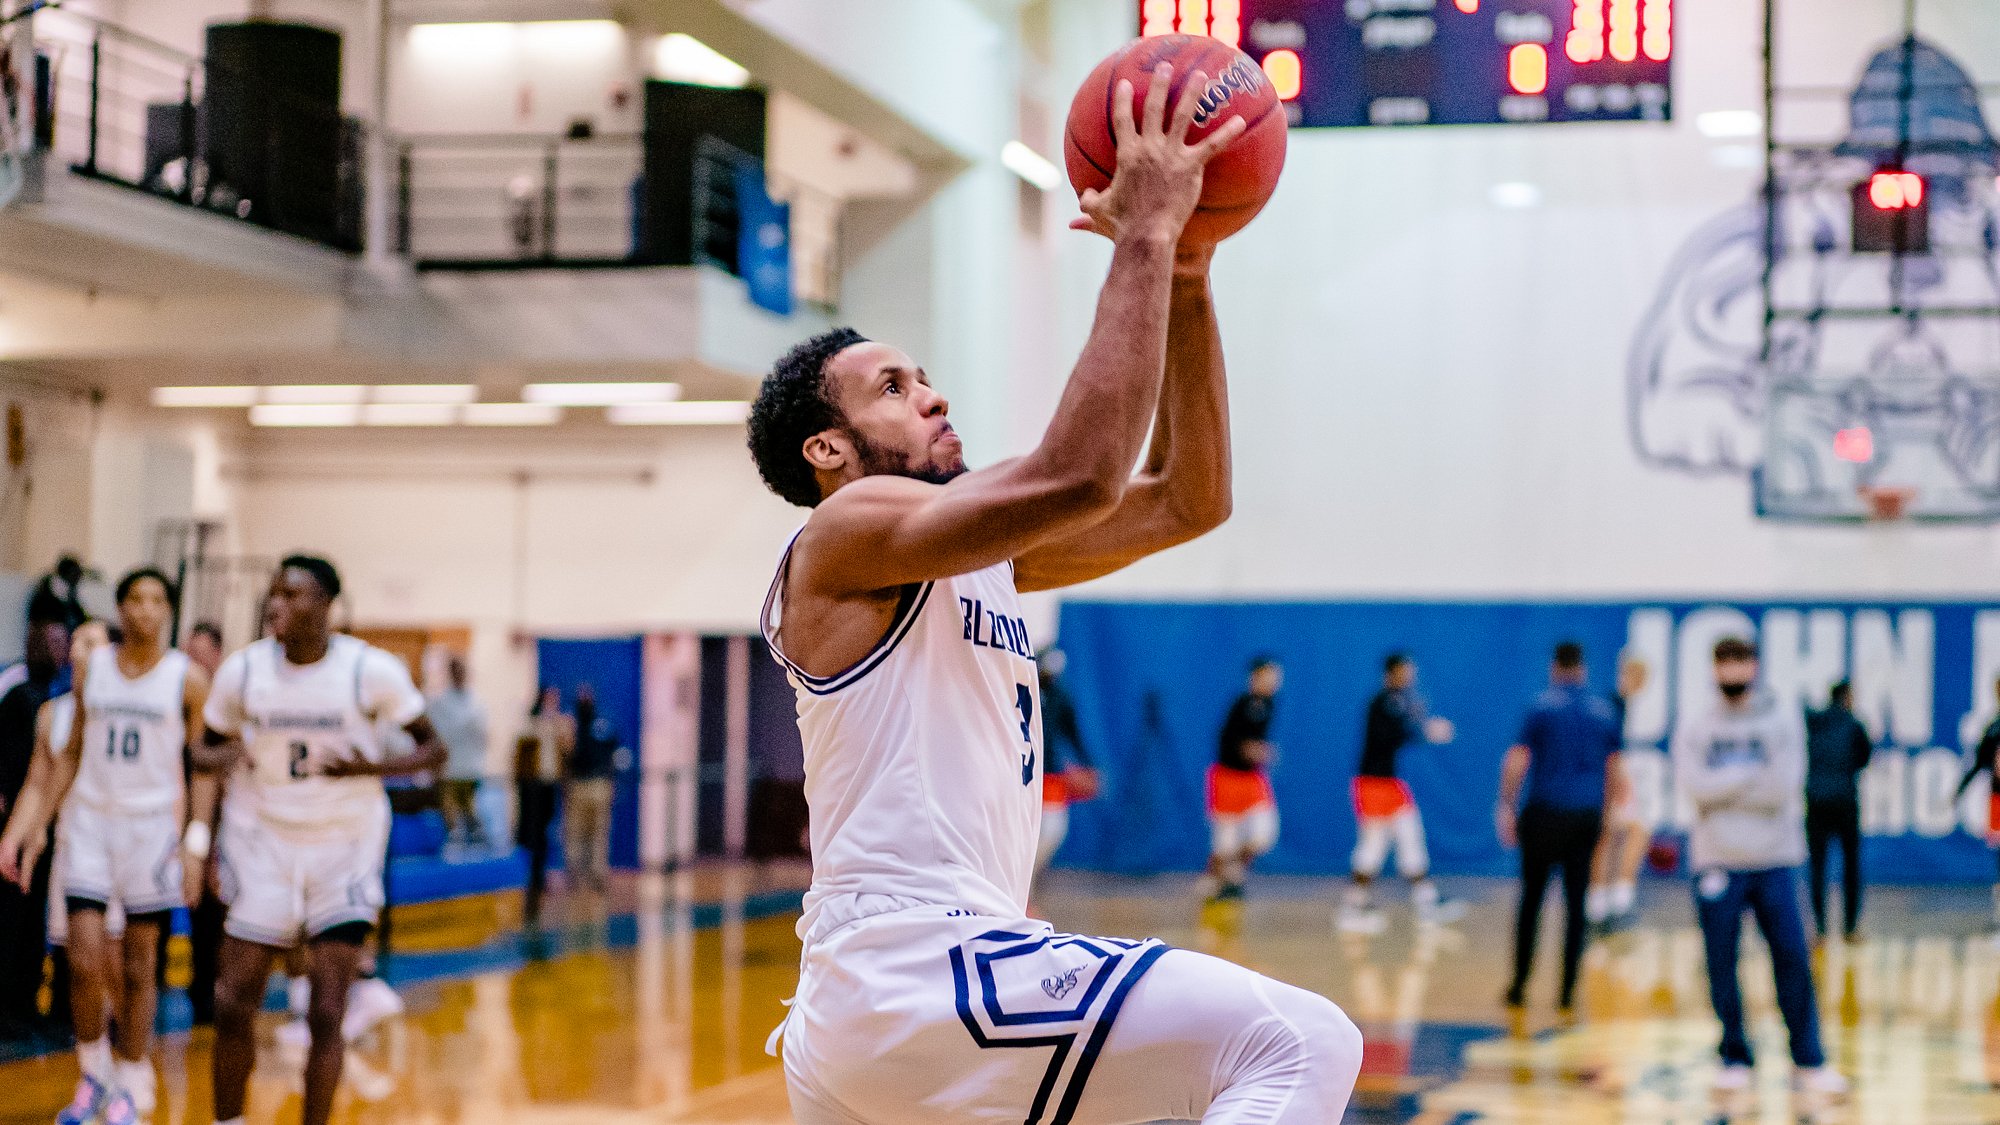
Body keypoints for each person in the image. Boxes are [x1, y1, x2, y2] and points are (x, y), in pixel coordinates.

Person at [748, 67, 1361, 1125]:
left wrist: (1189, 271)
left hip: (882, 993)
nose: (931, 392)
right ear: (827, 449)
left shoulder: (968, 555)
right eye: (891, 388)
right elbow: (1078, 472)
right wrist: (1144, 237)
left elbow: (1185, 500)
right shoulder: (843, 533)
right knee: (1296, 1041)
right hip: (917, 962)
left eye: (923, 373)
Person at [200, 555, 446, 1125]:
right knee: (232, 1001)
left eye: (293, 594)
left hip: (344, 844)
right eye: (274, 593)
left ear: (327, 605)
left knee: (328, 1011)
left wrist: (370, 768)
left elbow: (434, 751)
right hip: (265, 841)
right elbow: (201, 750)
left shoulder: (369, 670)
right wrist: (227, 755)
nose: (276, 605)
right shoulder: (243, 671)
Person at [0, 570, 213, 1121]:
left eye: (157, 600)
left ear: (168, 610)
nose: (146, 610)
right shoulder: (93, 670)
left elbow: (202, 769)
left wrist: (195, 842)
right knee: (85, 959)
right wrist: (38, 825)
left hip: (150, 831)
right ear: (120, 610)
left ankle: (134, 1076)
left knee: (140, 966)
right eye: (135, 599)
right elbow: (68, 756)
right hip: (93, 825)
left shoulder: (187, 679)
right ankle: (94, 1074)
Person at [1672, 636, 1845, 1096]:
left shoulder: (1780, 716)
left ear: (1754, 666)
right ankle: (1733, 1054)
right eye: (1723, 663)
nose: (1732, 672)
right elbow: (1694, 787)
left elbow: (1782, 788)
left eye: (1740, 662)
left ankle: (1808, 1059)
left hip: (1776, 858)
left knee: (1792, 957)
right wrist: (1748, 778)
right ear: (1714, 669)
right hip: (1716, 859)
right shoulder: (1697, 722)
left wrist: (1724, 787)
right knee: (1721, 963)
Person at [1494, 642, 1624, 1022]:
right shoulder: (1604, 711)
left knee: (1531, 901)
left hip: (1545, 813)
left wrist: (1506, 806)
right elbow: (1615, 768)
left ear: (1555, 667)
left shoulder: (1541, 707)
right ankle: (1567, 991)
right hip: (1585, 817)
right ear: (1582, 669)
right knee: (1576, 905)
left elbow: (1518, 759)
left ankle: (1519, 985)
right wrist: (1610, 815)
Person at [1342, 652, 1460, 932]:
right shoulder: (1383, 702)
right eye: (1406, 670)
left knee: (1410, 838)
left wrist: (1419, 725)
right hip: (1373, 784)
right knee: (1372, 846)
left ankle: (1427, 902)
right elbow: (1389, 736)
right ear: (1393, 672)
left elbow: (1401, 730)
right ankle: (1352, 906)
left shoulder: (1399, 701)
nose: (1410, 675)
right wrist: (1425, 731)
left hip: (1390, 784)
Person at [0, 615, 70, 1041]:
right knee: (11, 917)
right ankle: (7, 1006)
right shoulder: (18, 693)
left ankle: (27, 1003)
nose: (55, 648)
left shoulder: (62, 701)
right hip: (16, 819)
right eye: (47, 639)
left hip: (47, 824)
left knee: (34, 920)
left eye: (62, 640)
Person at [181, 620, 229, 1024]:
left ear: (217, 655)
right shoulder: (181, 702)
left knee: (216, 917)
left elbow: (216, 784)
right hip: (181, 822)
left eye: (200, 654)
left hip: (219, 829)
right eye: (188, 654)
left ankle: (212, 996)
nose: (193, 662)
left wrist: (210, 845)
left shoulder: (228, 710)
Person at [1206, 656, 1282, 903]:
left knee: (1263, 835)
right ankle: (1215, 882)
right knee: (1224, 843)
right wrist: (1247, 748)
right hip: (1227, 778)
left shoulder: (1270, 704)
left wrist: (1259, 751)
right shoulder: (1240, 704)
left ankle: (1232, 873)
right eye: (1269, 675)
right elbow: (1226, 741)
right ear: (1255, 677)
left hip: (1252, 780)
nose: (1275, 680)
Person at [1585, 654, 1650, 933]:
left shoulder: (1625, 705)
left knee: (1621, 833)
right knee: (1613, 834)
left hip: (1617, 778)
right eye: (1632, 673)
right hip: (1612, 779)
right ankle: (1603, 901)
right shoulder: (1612, 705)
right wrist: (1619, 781)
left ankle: (1608, 900)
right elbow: (1609, 751)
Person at [1805, 680, 1873, 942]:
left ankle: (1819, 929)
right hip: (1845, 800)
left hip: (1816, 800)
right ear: (1846, 697)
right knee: (1851, 865)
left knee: (1818, 865)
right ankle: (1850, 928)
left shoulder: (1813, 723)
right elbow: (1864, 757)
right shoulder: (1853, 724)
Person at [1033, 647, 1099, 879]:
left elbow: (1072, 733)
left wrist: (1087, 765)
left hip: (1051, 773)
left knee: (1053, 832)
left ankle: (1028, 881)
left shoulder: (1061, 695)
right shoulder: (1021, 688)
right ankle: (1020, 889)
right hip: (1023, 773)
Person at [515, 685, 572, 923]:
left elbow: (568, 750)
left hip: (550, 784)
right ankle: (531, 877)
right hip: (533, 785)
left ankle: (541, 875)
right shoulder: (532, 723)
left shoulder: (560, 724)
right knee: (533, 833)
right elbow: (521, 747)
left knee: (545, 832)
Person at [428, 655, 489, 848]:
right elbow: (434, 735)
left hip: (470, 767)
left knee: (470, 807)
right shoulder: (439, 703)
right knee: (450, 809)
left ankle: (475, 836)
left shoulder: (476, 703)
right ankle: (454, 836)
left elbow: (483, 736)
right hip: (449, 768)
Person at [565, 684, 619, 893]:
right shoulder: (573, 727)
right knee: (584, 833)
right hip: (586, 784)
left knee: (591, 833)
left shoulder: (579, 727)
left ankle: (593, 875)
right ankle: (580, 875)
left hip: (592, 784)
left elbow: (612, 757)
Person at [1956, 676, 2000, 928]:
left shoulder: (1994, 727)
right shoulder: (1993, 727)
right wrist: (1959, 791)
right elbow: (1979, 763)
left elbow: (1977, 765)